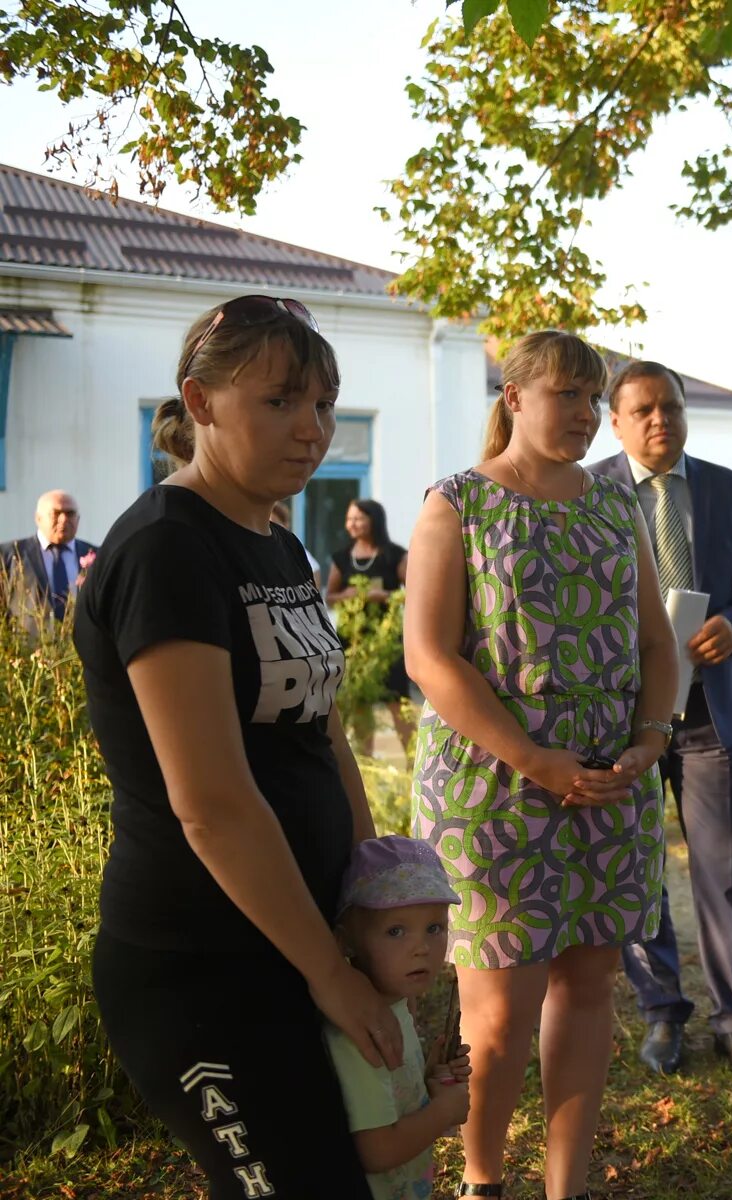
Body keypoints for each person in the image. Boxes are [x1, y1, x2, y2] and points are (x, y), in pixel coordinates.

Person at [74, 295, 400, 1199]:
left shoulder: (279, 544)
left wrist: (368, 893)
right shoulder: (168, 550)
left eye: (326, 404)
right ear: (202, 402)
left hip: (294, 944)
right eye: (281, 402)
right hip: (201, 967)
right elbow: (211, 806)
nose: (313, 429)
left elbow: (323, 730)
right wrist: (331, 972)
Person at [406, 330, 680, 1200]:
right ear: (514, 394)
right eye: (568, 394)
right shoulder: (456, 503)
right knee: (499, 1016)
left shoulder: (613, 505)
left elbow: (654, 641)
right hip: (494, 792)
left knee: (589, 988)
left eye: (594, 398)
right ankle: (483, 1182)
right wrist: (533, 760)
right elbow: (429, 657)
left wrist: (653, 737)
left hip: (607, 784)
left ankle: (568, 1186)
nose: (588, 414)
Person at [588, 361, 732, 1082]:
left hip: (710, 713)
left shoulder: (730, 489)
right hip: (622, 717)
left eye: (669, 406)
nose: (658, 420)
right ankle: (662, 1011)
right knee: (636, 871)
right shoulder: (589, 491)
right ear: (616, 420)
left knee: (727, 870)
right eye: (641, 410)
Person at [327, 834, 472, 1200]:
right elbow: (377, 1150)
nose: (422, 947)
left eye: (434, 928)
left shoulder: (394, 1005)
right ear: (346, 941)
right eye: (396, 931)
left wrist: (428, 1083)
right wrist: (442, 1111)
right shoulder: (358, 1034)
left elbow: (391, 1104)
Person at [327, 498, 416, 758]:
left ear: (373, 520)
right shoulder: (342, 558)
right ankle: (365, 761)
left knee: (396, 701)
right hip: (353, 640)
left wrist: (385, 597)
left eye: (358, 518)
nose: (351, 524)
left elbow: (416, 592)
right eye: (349, 519)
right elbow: (329, 597)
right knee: (359, 704)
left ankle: (411, 760)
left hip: (386, 640)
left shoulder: (395, 555)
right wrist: (348, 595)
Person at [2, 490, 97, 620]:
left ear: (78, 519)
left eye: (70, 514)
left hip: (81, 638)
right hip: (26, 639)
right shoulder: (9, 555)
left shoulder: (95, 556)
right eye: (56, 513)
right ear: (38, 518)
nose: (63, 520)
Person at [270, 499, 323, 591]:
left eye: (273, 523)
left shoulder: (298, 554)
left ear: (286, 525)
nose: (269, 528)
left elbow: (315, 585)